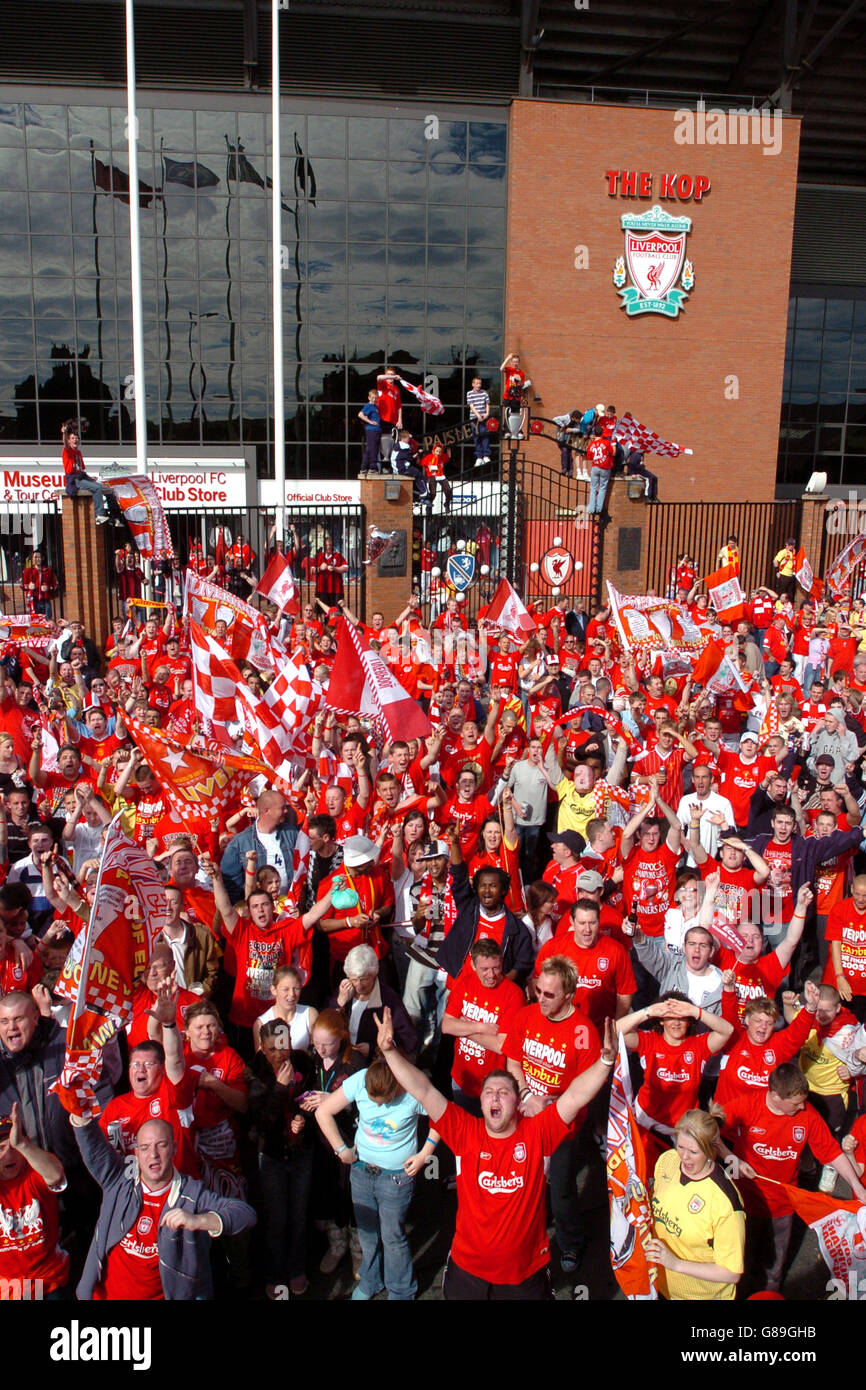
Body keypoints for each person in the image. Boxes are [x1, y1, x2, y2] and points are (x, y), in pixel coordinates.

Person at [374, 1004, 617, 1299]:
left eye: (504, 1092)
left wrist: (605, 1062)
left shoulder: (537, 1132)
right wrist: (389, 1052)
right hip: (468, 1271)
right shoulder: (465, 1130)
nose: (495, 1096)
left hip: (524, 1273)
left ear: (518, 1103)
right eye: (490, 1091)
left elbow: (576, 1095)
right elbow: (423, 1090)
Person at [67, 1108, 256, 1301]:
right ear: (137, 1153)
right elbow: (93, 1146)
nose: (153, 1154)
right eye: (145, 1147)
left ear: (174, 1148)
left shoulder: (190, 1194)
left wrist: (201, 1220)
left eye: (161, 1145)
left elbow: (246, 1214)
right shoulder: (119, 1181)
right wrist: (78, 1110)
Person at [715, 1062, 866, 1292]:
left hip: (783, 1206)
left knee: (774, 1272)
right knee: (738, 1267)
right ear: (775, 1096)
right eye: (796, 1103)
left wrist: (857, 1185)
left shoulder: (807, 1115)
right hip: (745, 1202)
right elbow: (708, 1128)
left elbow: (832, 1152)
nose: (802, 1107)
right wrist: (731, 1158)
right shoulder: (747, 1105)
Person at [315, 1055, 438, 1300]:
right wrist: (341, 1150)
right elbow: (323, 1112)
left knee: (393, 1236)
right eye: (374, 1102)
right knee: (367, 1233)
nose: (380, 1107)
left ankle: (402, 1290)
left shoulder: (412, 1090)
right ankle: (371, 1281)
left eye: (385, 1102)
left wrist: (425, 1154)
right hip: (361, 1171)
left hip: (395, 1178)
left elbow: (442, 1116)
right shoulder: (360, 1080)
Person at [646, 1109, 745, 1301]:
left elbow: (731, 1273)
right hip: (660, 1285)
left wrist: (675, 1264)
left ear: (710, 1150)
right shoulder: (667, 1160)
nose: (684, 1157)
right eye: (680, 1147)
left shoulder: (725, 1202)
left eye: (693, 1152)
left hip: (700, 1296)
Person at [0, 1101, 69, 1300]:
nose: (9, 1154)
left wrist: (22, 1144)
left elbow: (56, 1175)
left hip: (46, 1280)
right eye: (1, 1148)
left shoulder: (34, 1171)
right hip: (7, 1285)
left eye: (14, 1146)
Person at [61, 422, 111, 526]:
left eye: (77, 438)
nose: (75, 440)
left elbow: (81, 469)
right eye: (73, 438)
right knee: (97, 489)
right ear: (69, 441)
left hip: (81, 476)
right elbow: (65, 444)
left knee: (107, 489)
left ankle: (115, 514)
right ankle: (99, 514)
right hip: (75, 480)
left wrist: (89, 478)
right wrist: (65, 433)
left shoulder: (78, 453)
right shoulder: (67, 451)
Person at [466, 376, 491, 465]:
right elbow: (471, 406)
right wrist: (477, 416)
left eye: (480, 383)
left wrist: (487, 413)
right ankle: (479, 457)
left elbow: (487, 404)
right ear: (473, 384)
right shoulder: (469, 393)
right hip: (474, 419)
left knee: (484, 436)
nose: (478, 385)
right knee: (477, 437)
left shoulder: (484, 393)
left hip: (483, 418)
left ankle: (486, 455)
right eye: (477, 383)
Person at [357, 389, 382, 476]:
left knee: (369, 449)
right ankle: (372, 468)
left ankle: (363, 468)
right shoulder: (369, 405)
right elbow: (360, 414)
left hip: (376, 430)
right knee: (373, 449)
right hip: (372, 430)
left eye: (376, 398)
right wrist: (369, 421)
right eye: (372, 398)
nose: (374, 399)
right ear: (369, 397)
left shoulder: (375, 407)